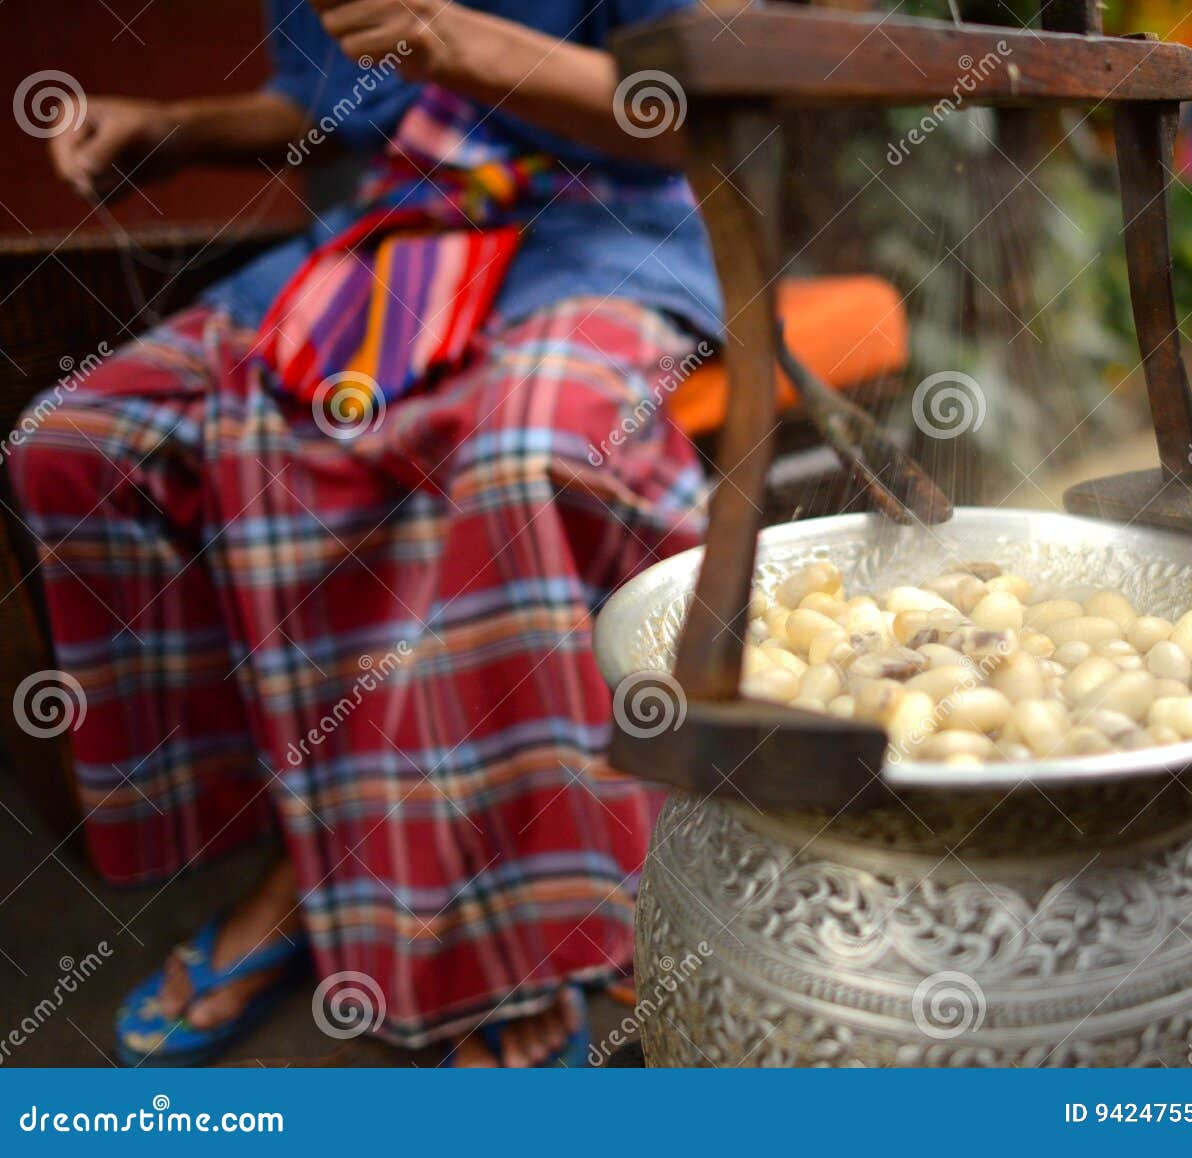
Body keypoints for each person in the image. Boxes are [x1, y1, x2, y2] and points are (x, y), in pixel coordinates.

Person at [17, 0, 719, 1067]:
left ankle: (515, 928)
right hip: (393, 238)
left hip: (593, 233)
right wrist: (175, 131)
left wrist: (466, 41)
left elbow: (699, 112)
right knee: (77, 442)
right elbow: (323, 103)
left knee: (513, 460)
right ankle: (323, 846)